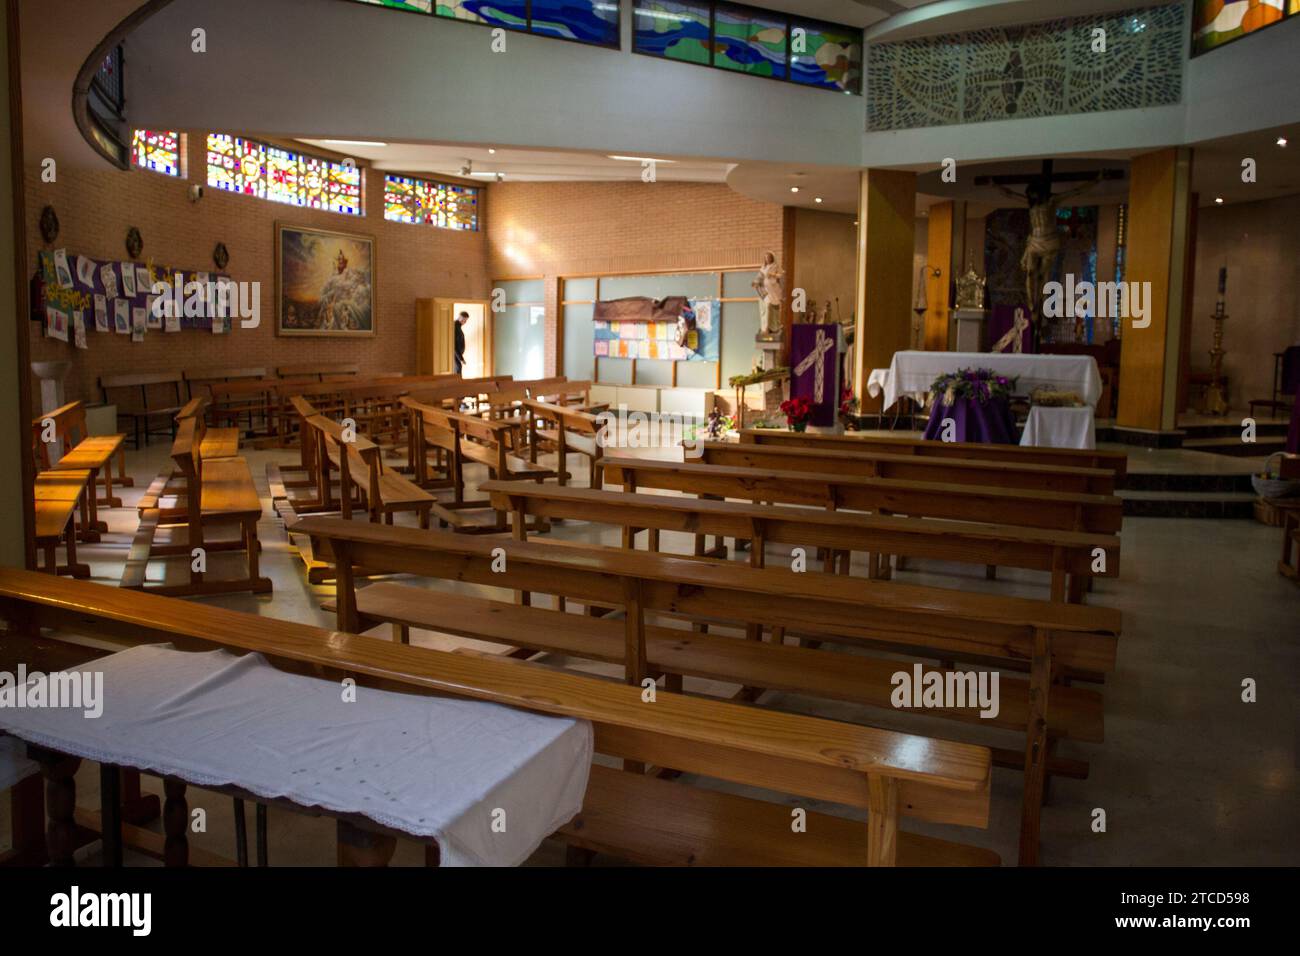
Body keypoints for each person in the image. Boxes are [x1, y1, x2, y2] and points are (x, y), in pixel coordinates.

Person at [454, 311, 469, 375]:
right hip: (455, 354)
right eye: (464, 320)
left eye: (466, 320)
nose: (465, 322)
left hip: (457, 355)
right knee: (458, 369)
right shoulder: (455, 326)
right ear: (459, 317)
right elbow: (454, 345)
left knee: (458, 369)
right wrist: (461, 359)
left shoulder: (458, 327)